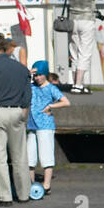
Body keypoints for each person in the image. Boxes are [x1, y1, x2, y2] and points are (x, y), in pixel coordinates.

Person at [0, 34, 33, 206]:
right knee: (20, 156)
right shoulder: (22, 69)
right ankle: (24, 194)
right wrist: (22, 112)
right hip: (17, 111)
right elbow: (27, 97)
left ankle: (5, 197)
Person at [27, 60, 68, 194]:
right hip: (32, 124)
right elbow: (21, 84)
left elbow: (66, 102)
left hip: (45, 124)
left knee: (46, 154)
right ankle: (31, 184)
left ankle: (46, 184)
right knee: (29, 156)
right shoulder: (31, 86)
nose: (38, 78)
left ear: (45, 74)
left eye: (40, 75)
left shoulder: (50, 87)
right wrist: (28, 73)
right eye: (36, 75)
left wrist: (51, 106)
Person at [63, 0, 104, 93]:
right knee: (85, 52)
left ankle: (75, 82)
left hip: (73, 20)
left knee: (74, 51)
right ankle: (78, 84)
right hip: (87, 19)